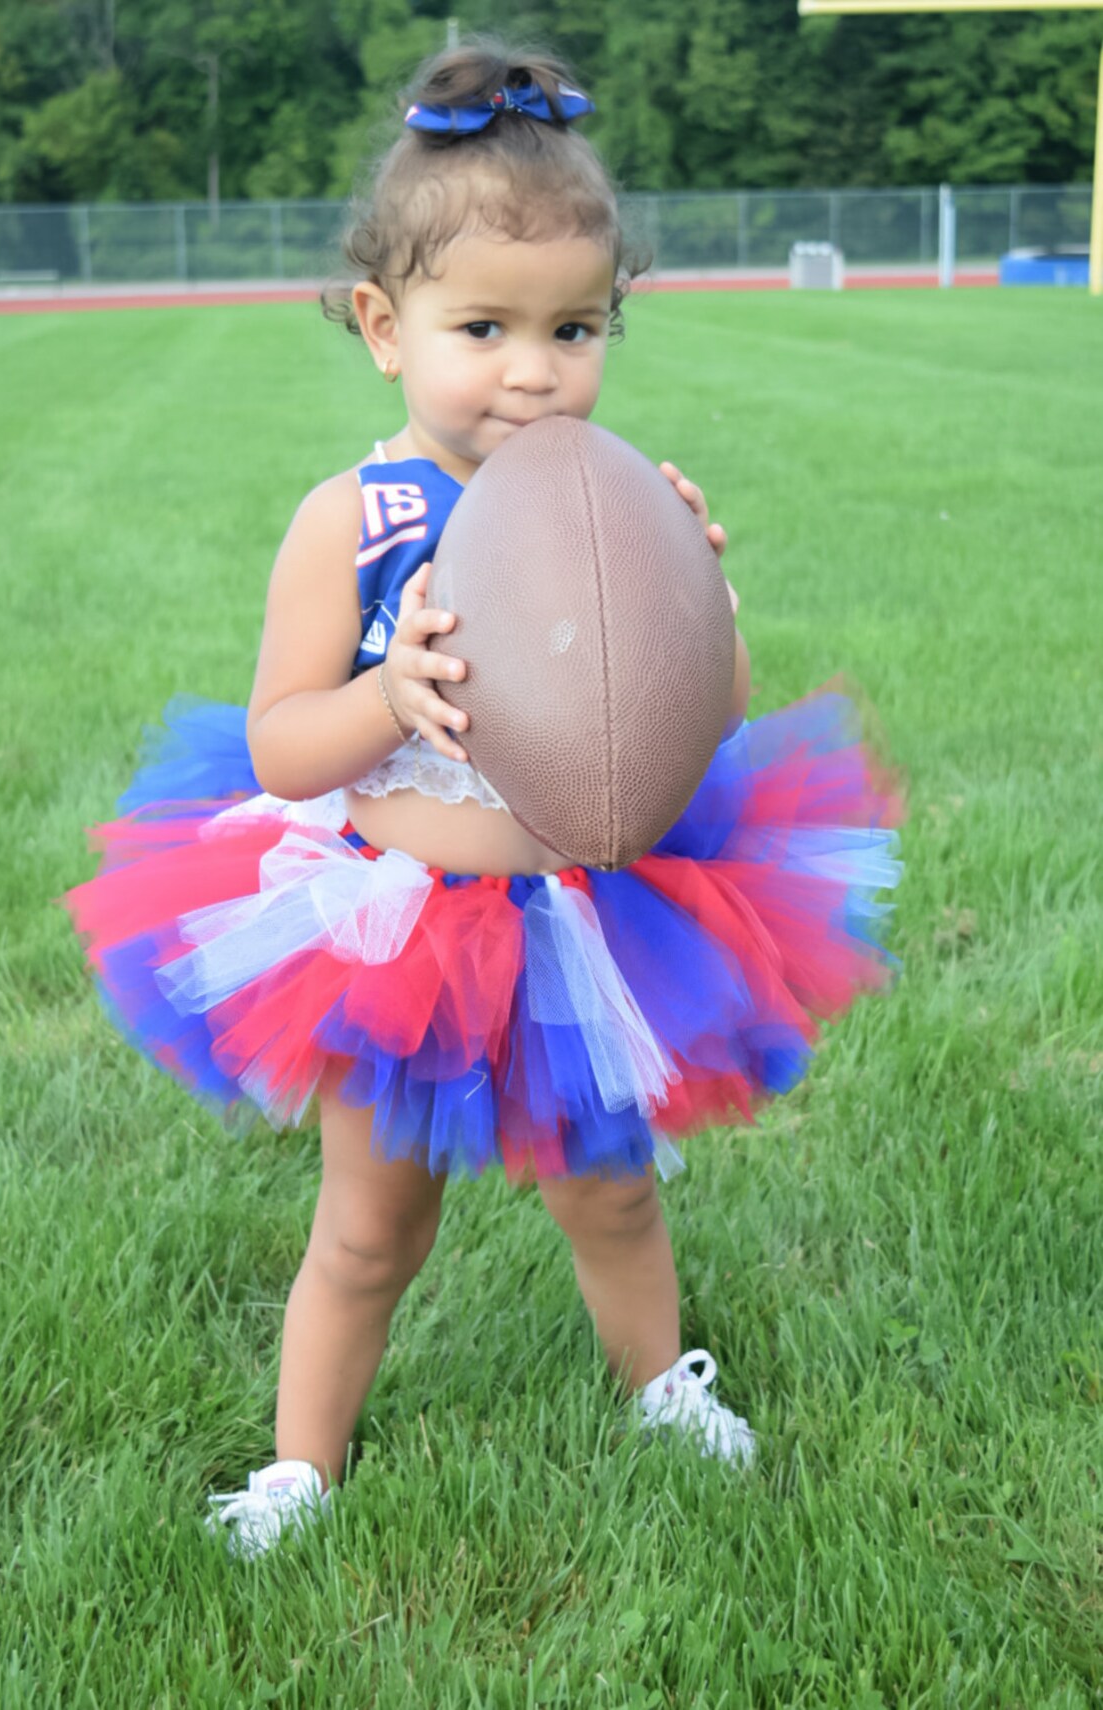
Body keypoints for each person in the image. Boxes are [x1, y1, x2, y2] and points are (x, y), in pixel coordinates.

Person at [65, 42, 901, 1558]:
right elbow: (279, 743)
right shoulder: (360, 519)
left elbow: (705, 720)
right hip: (399, 923)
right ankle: (301, 1465)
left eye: (575, 326)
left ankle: (661, 1385)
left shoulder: (616, 493)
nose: (534, 368)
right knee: (373, 1223)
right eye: (485, 327)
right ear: (386, 329)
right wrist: (390, 696)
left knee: (614, 1191)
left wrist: (693, 598)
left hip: (578, 914)